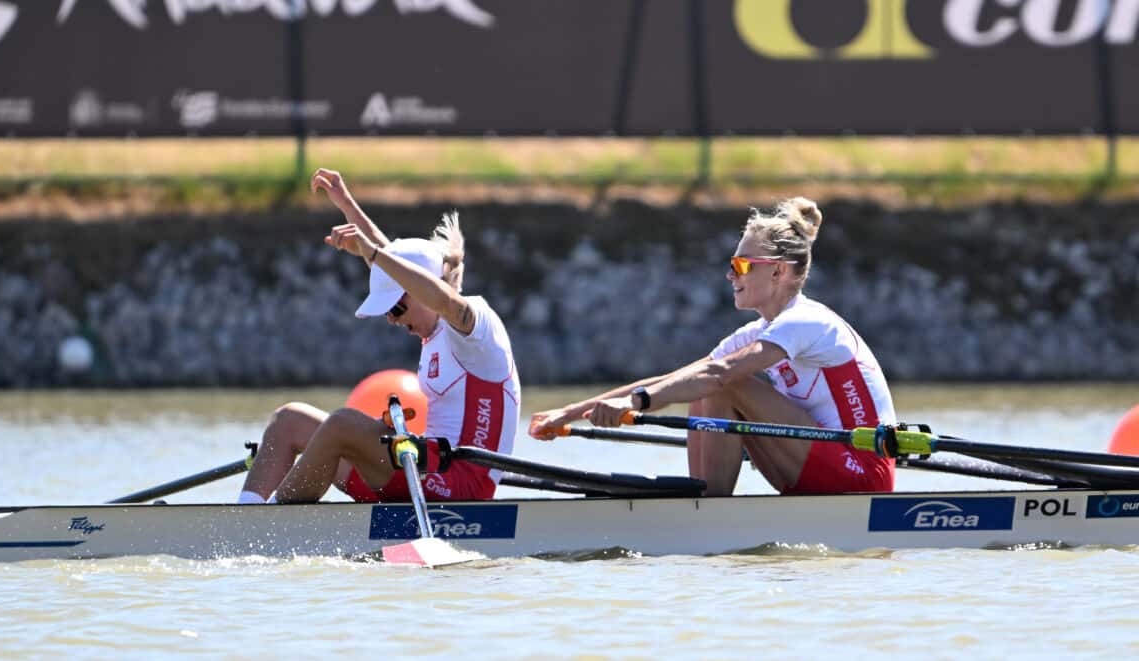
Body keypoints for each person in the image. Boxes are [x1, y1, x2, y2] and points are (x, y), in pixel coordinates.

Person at [529, 197, 895, 497]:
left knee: (723, 382)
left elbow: (718, 375)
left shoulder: (808, 321)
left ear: (778, 272)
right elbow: (679, 377)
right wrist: (571, 412)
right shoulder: (757, 333)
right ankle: (703, 501)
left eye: (741, 265)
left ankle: (708, 510)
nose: (731, 275)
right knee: (699, 385)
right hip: (819, 464)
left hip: (862, 471)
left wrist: (635, 404)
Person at [238, 168, 520, 505]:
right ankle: (247, 518)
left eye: (397, 309)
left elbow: (436, 295)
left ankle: (268, 530)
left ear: (426, 290)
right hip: (422, 468)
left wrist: (371, 252)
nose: (391, 319)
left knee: (342, 423)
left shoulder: (475, 327)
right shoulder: (432, 326)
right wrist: (346, 202)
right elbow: (398, 264)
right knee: (289, 420)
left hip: (461, 484)